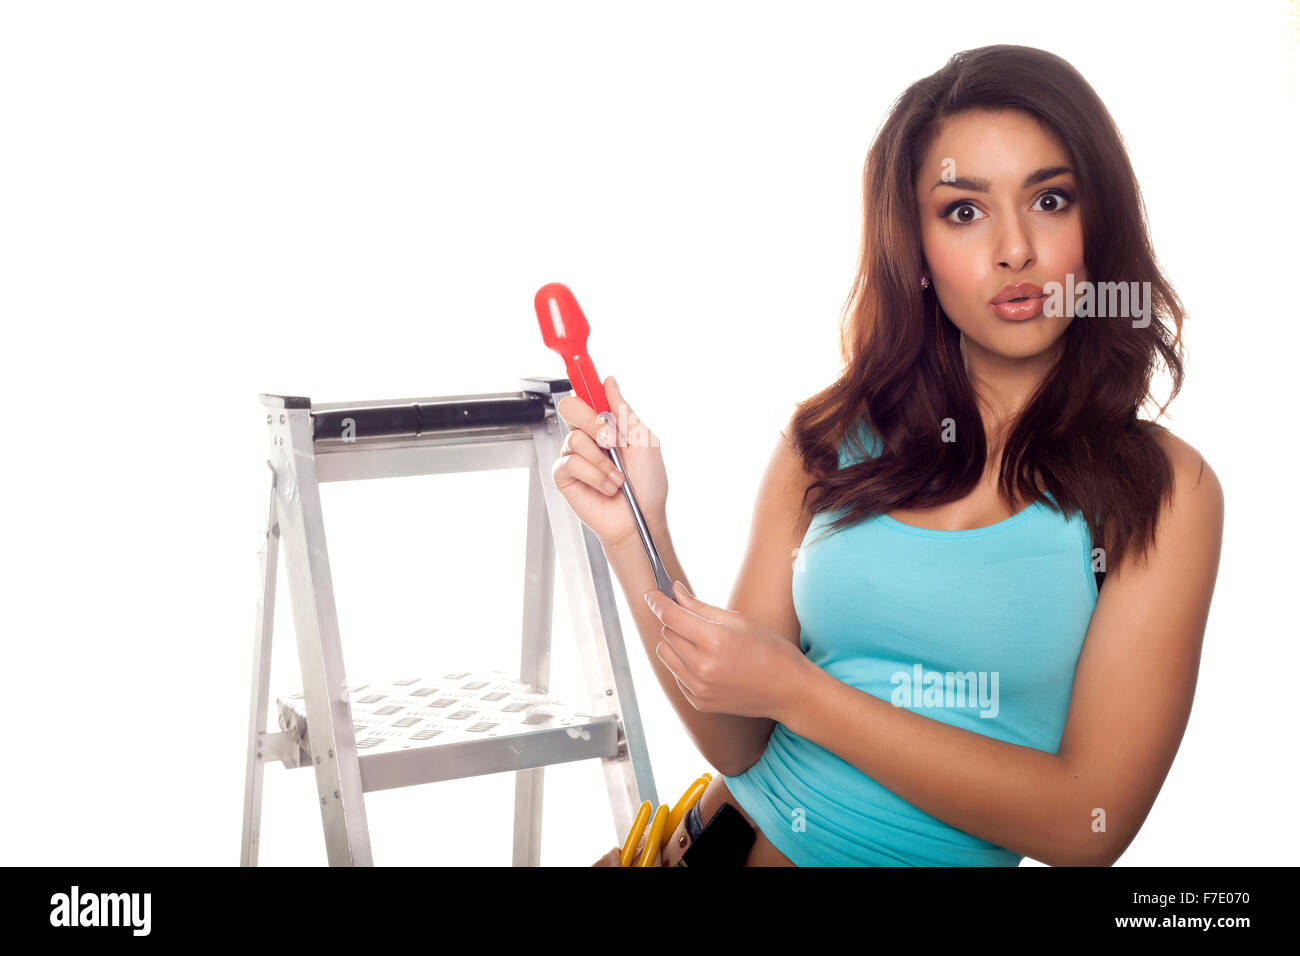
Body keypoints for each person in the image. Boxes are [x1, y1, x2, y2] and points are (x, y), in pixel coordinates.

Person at [556, 44, 1223, 867]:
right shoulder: (830, 439)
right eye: (964, 211)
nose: (1015, 249)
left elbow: (1088, 824)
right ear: (915, 246)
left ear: (1100, 222)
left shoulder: (1164, 491)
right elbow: (735, 741)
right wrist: (636, 535)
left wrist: (801, 692)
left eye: (1050, 199)